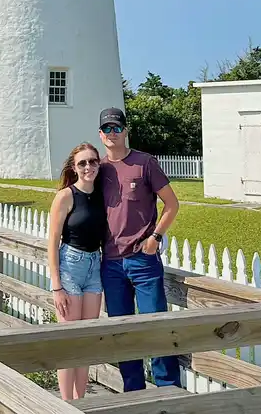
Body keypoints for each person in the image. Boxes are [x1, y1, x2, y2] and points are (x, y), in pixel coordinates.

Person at [98, 106, 182, 393]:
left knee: (155, 327)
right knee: (122, 334)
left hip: (142, 260)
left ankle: (168, 392)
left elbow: (172, 204)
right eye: (107, 128)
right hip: (110, 263)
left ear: (125, 130)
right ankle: (133, 393)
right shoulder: (99, 169)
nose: (112, 133)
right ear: (100, 134)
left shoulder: (145, 163)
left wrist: (155, 237)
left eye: (116, 127)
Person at [47, 142, 105, 401]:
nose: (88, 167)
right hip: (71, 265)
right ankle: (66, 404)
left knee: (86, 340)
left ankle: (80, 401)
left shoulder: (101, 194)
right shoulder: (66, 196)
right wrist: (57, 286)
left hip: (94, 266)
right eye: (82, 163)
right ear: (73, 167)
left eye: (92, 161)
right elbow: (52, 242)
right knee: (70, 340)